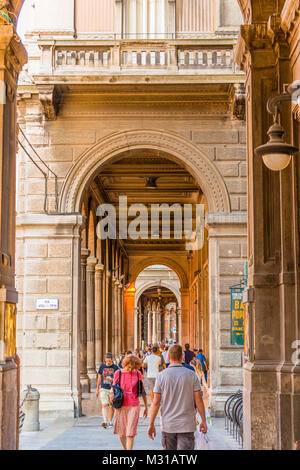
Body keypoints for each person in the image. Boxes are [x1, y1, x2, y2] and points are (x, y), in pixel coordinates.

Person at [147, 344, 207, 450]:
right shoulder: (191, 375)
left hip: (168, 424)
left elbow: (156, 403)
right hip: (187, 424)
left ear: (169, 357)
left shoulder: (161, 376)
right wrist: (203, 421)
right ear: (182, 357)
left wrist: (151, 424)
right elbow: (199, 400)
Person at [112, 355, 148, 450]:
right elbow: (114, 390)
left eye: (133, 368)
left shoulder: (138, 374)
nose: (130, 369)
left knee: (130, 433)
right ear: (125, 364)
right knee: (121, 432)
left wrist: (146, 407)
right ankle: (124, 448)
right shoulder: (118, 373)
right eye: (129, 367)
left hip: (134, 405)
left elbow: (142, 391)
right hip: (121, 405)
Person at [96, 353, 119, 429]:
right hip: (103, 388)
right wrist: (97, 389)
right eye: (107, 360)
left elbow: (118, 379)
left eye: (110, 360)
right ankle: (105, 421)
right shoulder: (102, 367)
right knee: (104, 405)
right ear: (105, 359)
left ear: (111, 359)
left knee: (111, 406)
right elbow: (99, 378)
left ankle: (110, 422)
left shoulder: (115, 367)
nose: (108, 362)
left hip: (112, 389)